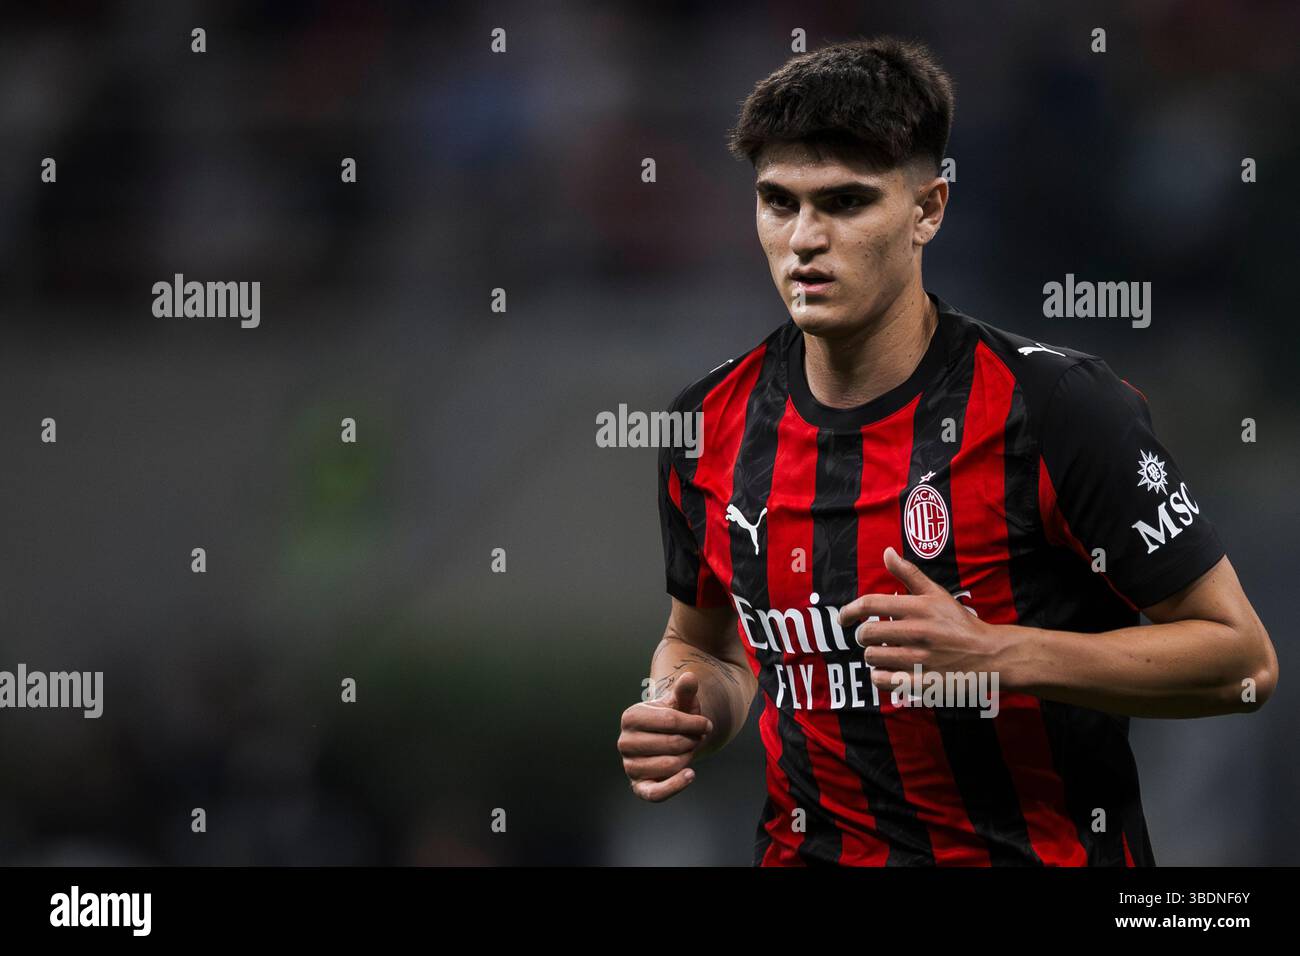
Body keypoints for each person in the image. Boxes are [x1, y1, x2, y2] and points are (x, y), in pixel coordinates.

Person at [616, 36, 1278, 866]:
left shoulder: (1058, 408)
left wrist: (997, 652)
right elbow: (704, 645)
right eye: (778, 202)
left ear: (928, 209)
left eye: (847, 203)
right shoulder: (707, 425)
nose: (803, 240)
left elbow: (1241, 662)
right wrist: (684, 705)